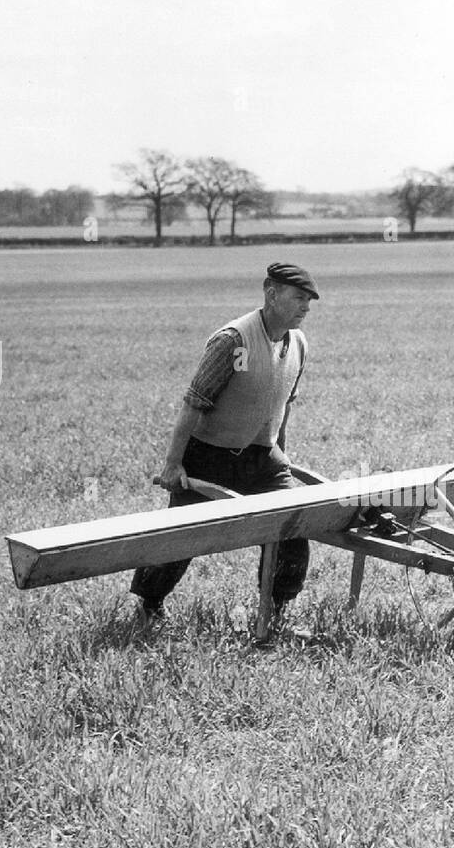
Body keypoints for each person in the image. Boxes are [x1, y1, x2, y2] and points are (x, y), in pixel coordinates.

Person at [130, 262, 318, 634]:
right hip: (210, 455)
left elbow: (285, 404)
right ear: (271, 294)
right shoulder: (233, 341)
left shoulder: (297, 343)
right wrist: (173, 464)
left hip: (262, 457)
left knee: (292, 525)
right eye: (299, 298)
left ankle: (276, 610)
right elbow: (194, 401)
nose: (306, 308)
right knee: (182, 535)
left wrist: (282, 455)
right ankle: (149, 605)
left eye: (309, 301)